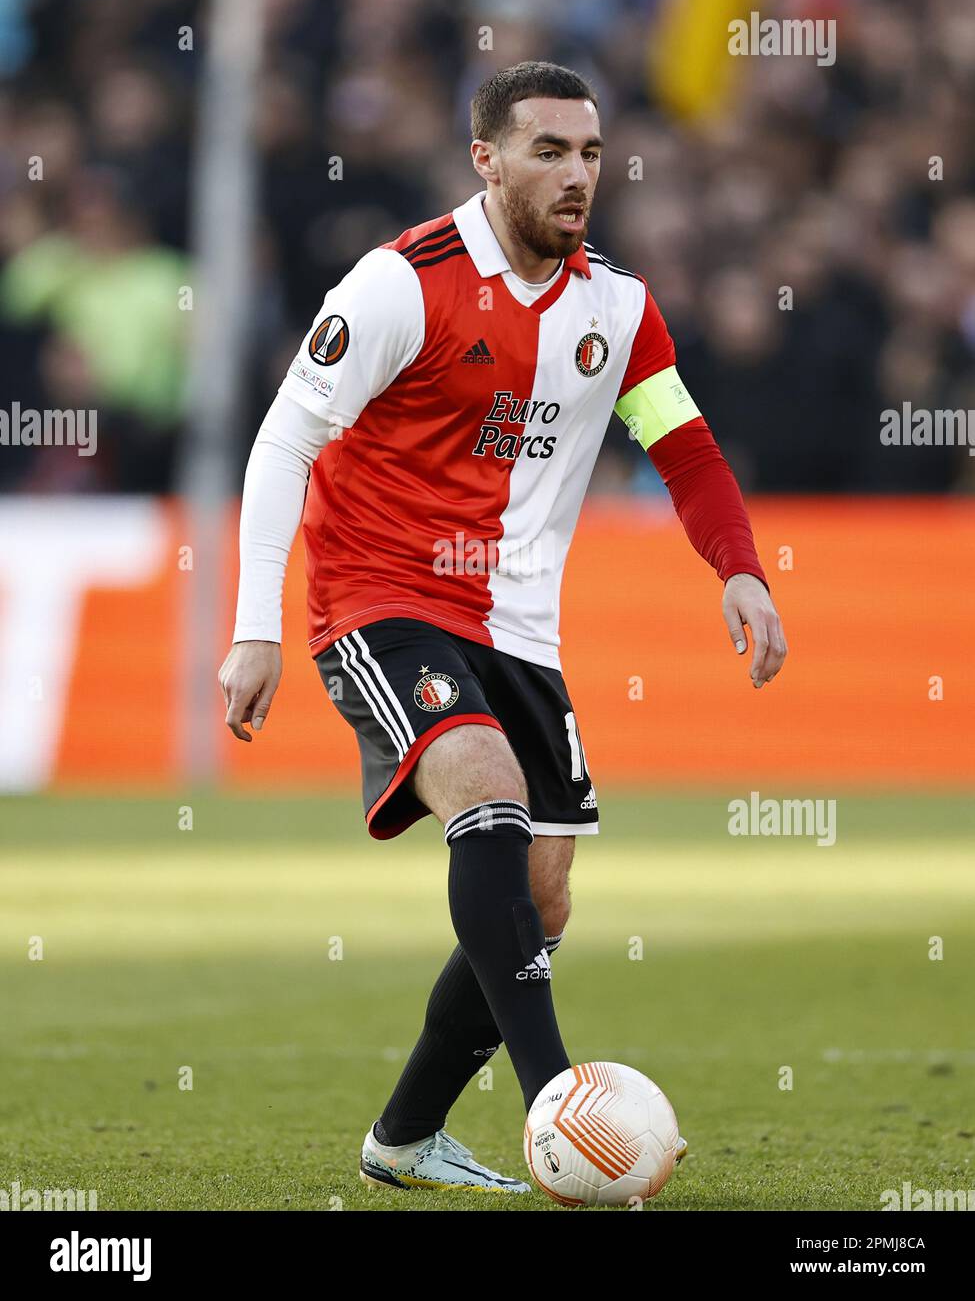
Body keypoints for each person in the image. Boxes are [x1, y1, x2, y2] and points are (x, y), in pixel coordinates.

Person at [219, 61, 787, 1195]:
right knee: (483, 789)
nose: (577, 176)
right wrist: (255, 626)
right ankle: (560, 1109)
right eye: (548, 151)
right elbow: (285, 440)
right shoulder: (400, 283)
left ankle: (403, 1138)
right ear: (485, 158)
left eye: (589, 154)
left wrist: (740, 568)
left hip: (520, 628)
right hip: (380, 596)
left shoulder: (616, 308)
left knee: (542, 890)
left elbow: (681, 444)